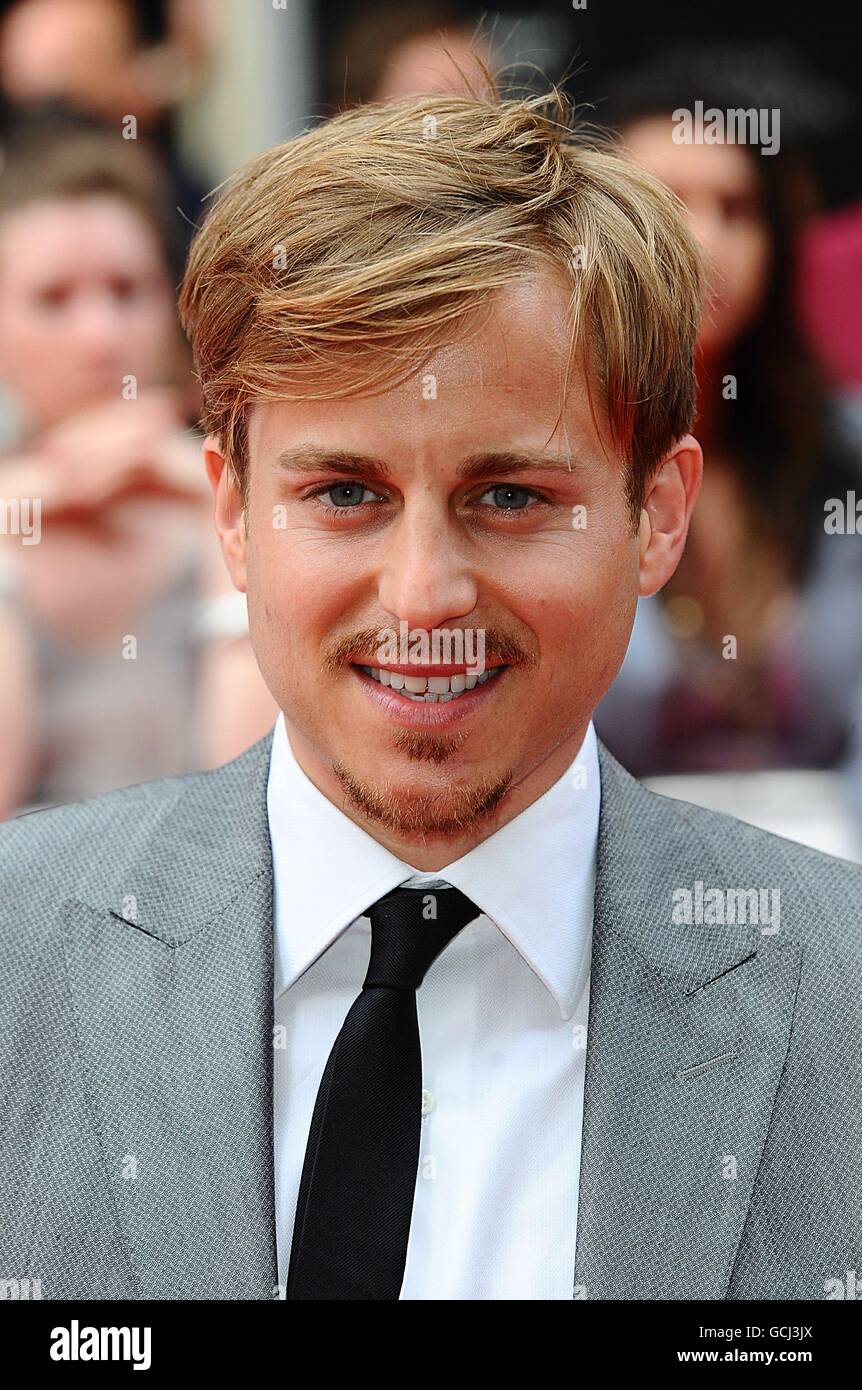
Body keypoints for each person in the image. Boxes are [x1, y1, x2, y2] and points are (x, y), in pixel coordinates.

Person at [0, 81, 859, 1301]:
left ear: (654, 516)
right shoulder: (18, 957)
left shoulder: (841, 999)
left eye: (508, 496)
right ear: (234, 514)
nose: (423, 597)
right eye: (344, 493)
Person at [593, 55, 862, 787]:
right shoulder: (530, 458)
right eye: (667, 202)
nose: (705, 242)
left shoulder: (844, 454)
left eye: (737, 210)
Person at [0, 116, 275, 816]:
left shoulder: (246, 504)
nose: (100, 337)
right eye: (52, 300)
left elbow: (249, 806)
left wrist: (216, 501)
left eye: (126, 291)